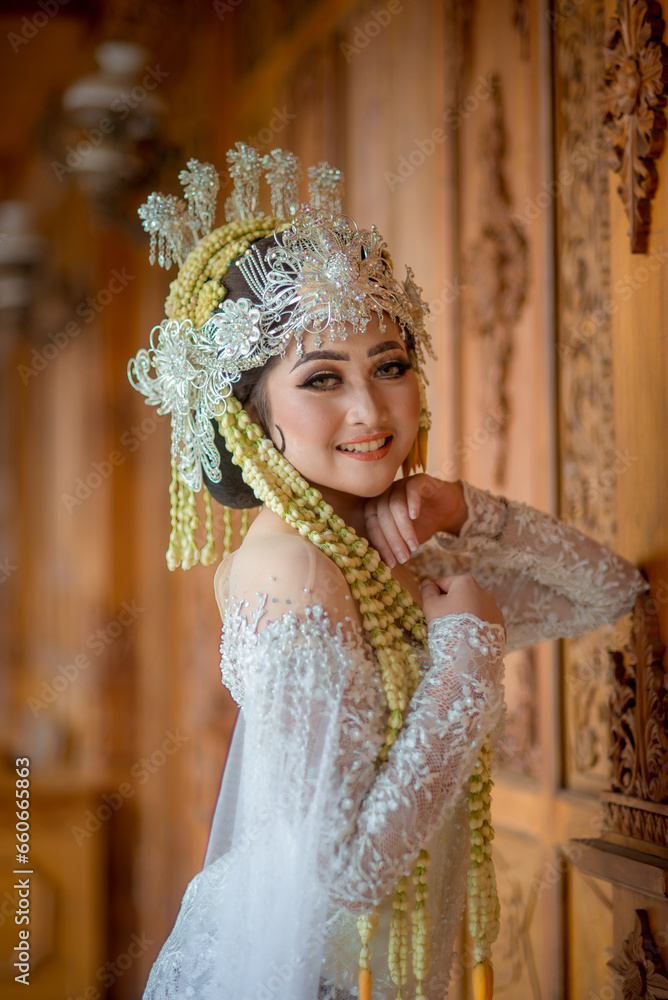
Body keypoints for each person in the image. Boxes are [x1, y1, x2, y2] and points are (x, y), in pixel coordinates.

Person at [128, 146, 647, 1000]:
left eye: (390, 365)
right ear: (254, 415)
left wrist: (461, 509)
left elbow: (607, 587)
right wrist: (464, 663)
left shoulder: (381, 548)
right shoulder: (290, 571)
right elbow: (343, 875)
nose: (370, 411)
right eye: (322, 379)